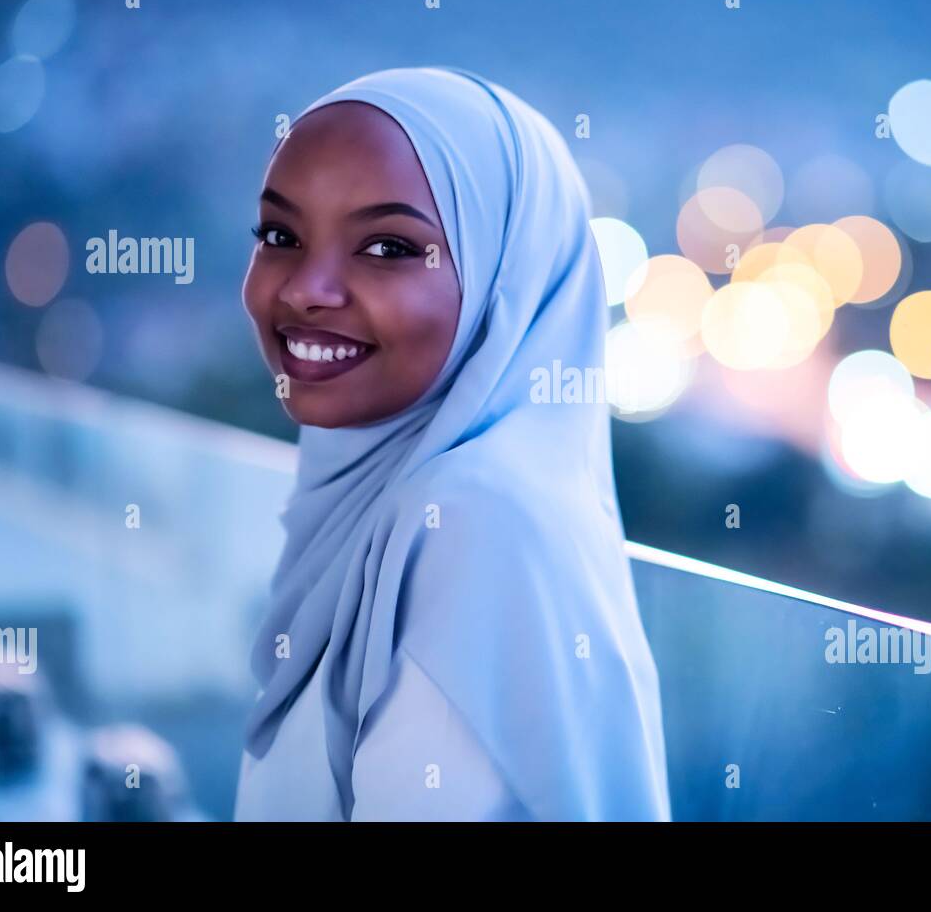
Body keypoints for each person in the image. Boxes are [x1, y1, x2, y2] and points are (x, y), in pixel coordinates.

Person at [234, 67, 671, 821]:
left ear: (506, 281)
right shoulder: (392, 493)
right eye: (281, 235)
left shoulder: (474, 521)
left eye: (389, 248)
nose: (307, 288)